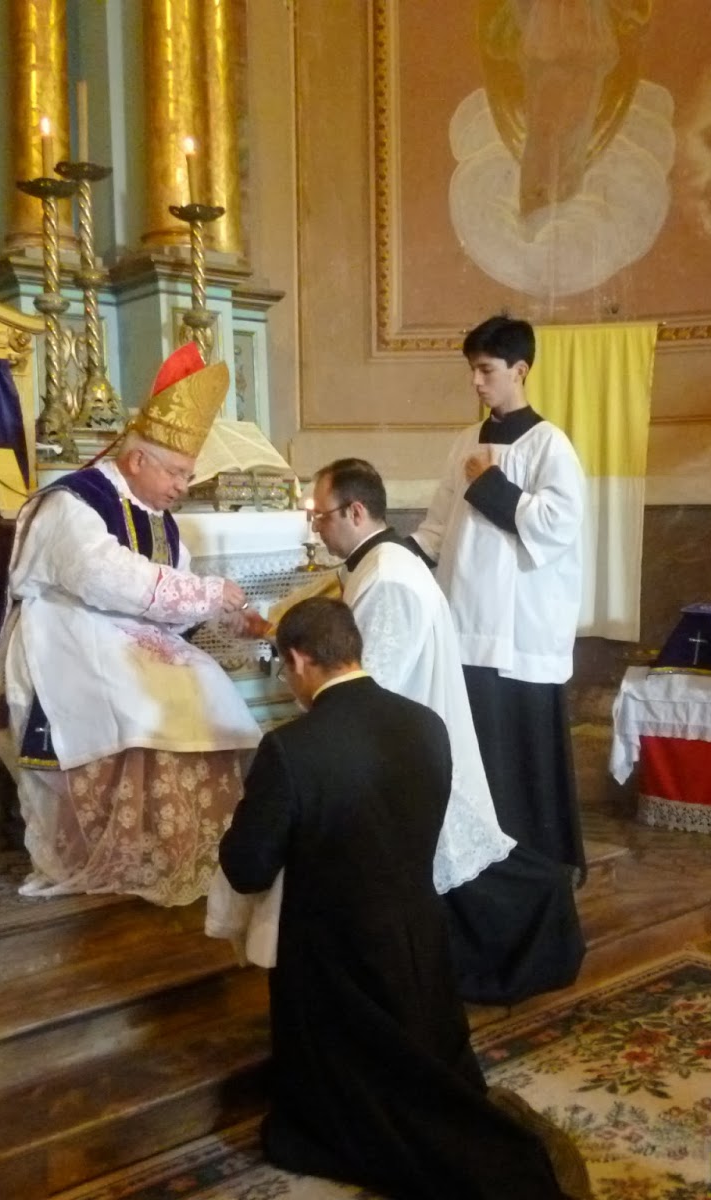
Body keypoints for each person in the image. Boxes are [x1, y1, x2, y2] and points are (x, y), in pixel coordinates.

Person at [219, 597, 580, 1200]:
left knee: (362, 1111)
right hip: (421, 937)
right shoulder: (424, 724)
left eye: (287, 668)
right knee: (428, 1080)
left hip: (334, 961)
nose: (289, 681)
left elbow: (249, 868)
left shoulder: (290, 749)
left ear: (300, 660)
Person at [0, 344, 264, 908]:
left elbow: (175, 595)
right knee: (139, 701)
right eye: (176, 472)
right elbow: (102, 575)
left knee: (202, 690)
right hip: (66, 633)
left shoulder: (162, 520)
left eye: (188, 474)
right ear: (137, 461)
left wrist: (226, 613)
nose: (183, 486)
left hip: (130, 638)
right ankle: (115, 848)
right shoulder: (74, 502)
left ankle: (175, 846)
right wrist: (204, 593)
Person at [310, 457, 585, 1003]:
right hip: (407, 745)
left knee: (466, 874)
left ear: (356, 511)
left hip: (406, 754)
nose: (317, 528)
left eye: (321, 517)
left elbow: (372, 682)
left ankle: (534, 939)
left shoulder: (387, 577)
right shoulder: (379, 564)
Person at [410, 315, 588, 876]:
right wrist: (396, 552)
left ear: (520, 370)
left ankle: (536, 860)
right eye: (472, 371)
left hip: (517, 633)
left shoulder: (549, 445)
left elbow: (560, 525)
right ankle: (479, 859)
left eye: (486, 370)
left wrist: (492, 486)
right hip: (462, 619)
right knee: (475, 746)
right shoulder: (466, 441)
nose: (477, 383)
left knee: (520, 750)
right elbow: (440, 525)